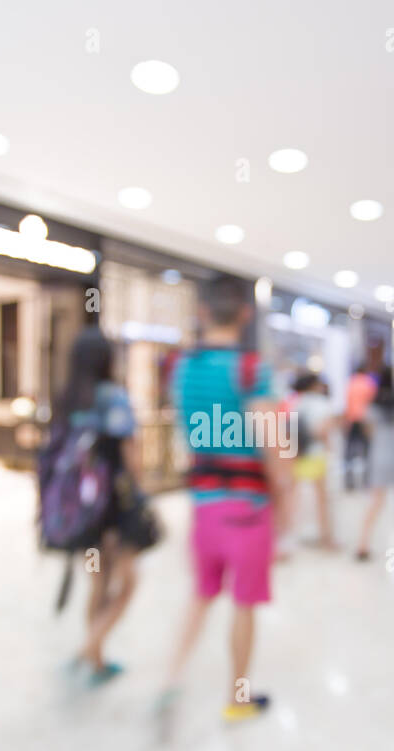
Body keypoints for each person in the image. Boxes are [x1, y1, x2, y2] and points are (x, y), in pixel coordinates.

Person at [161, 275, 290, 725]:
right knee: (244, 603)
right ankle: (238, 696)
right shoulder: (251, 370)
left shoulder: (182, 368)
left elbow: (191, 430)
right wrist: (285, 504)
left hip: (202, 505)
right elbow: (275, 448)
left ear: (201, 313)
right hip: (247, 510)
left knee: (201, 594)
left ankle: (170, 679)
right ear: (244, 315)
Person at [53, 325, 147, 685]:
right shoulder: (113, 397)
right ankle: (89, 649)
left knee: (97, 582)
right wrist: (140, 495)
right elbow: (130, 454)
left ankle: (94, 657)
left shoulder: (68, 398)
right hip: (112, 512)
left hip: (77, 510)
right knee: (126, 583)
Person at [354, 366, 394, 560]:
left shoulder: (373, 405)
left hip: (378, 454)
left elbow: (369, 431)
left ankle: (363, 542)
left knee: (376, 501)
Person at [289, 372, 337, 549]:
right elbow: (322, 431)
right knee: (322, 497)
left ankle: (287, 536)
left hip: (297, 452)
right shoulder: (322, 404)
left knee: (293, 495)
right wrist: (330, 447)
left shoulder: (295, 402)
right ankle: (326, 537)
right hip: (316, 454)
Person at [343, 362, 378, 490]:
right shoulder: (369, 383)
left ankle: (349, 482)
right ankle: (366, 481)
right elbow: (372, 403)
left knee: (349, 453)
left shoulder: (350, 383)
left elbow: (346, 403)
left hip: (352, 420)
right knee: (367, 452)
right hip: (365, 421)